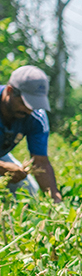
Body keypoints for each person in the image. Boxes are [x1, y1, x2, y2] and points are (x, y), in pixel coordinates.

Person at [0, 66, 62, 202]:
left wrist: (55, 198)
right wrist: (3, 168)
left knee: (28, 190)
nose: (29, 110)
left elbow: (40, 163)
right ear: (9, 91)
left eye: (33, 104)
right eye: (24, 102)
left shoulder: (35, 117)